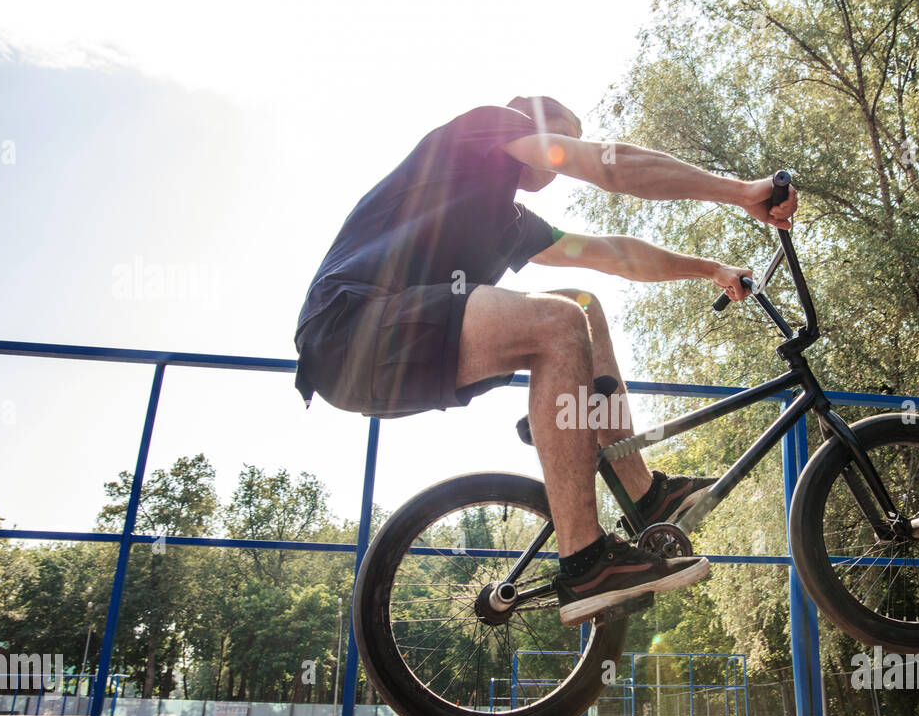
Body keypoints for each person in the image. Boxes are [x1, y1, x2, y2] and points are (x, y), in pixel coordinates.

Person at [294, 96, 798, 626]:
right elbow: (607, 165)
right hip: (351, 326)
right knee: (557, 322)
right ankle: (587, 562)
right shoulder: (485, 128)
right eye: (566, 136)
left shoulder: (511, 224)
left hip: (397, 350)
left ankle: (644, 495)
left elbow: (614, 254)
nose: (565, 159)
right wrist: (742, 193)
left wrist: (710, 269)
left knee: (582, 306)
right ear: (531, 123)